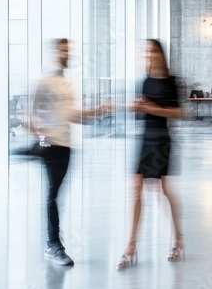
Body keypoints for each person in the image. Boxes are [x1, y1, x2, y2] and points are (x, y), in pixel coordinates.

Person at [28, 38, 113, 266]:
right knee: (53, 196)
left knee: (56, 196)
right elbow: (29, 114)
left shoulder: (67, 85)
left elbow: (74, 116)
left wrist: (98, 110)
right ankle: (53, 245)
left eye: (69, 49)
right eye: (63, 49)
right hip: (51, 146)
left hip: (66, 147)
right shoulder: (45, 82)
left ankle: (52, 244)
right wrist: (39, 137)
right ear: (55, 52)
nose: (68, 53)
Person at [117, 39, 184, 268]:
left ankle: (177, 239)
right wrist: (136, 107)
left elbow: (178, 113)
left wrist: (150, 108)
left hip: (162, 140)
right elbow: (144, 111)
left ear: (159, 54)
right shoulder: (145, 82)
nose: (148, 54)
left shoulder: (171, 82)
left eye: (151, 50)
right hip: (145, 139)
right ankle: (130, 245)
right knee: (135, 188)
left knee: (162, 190)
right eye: (145, 51)